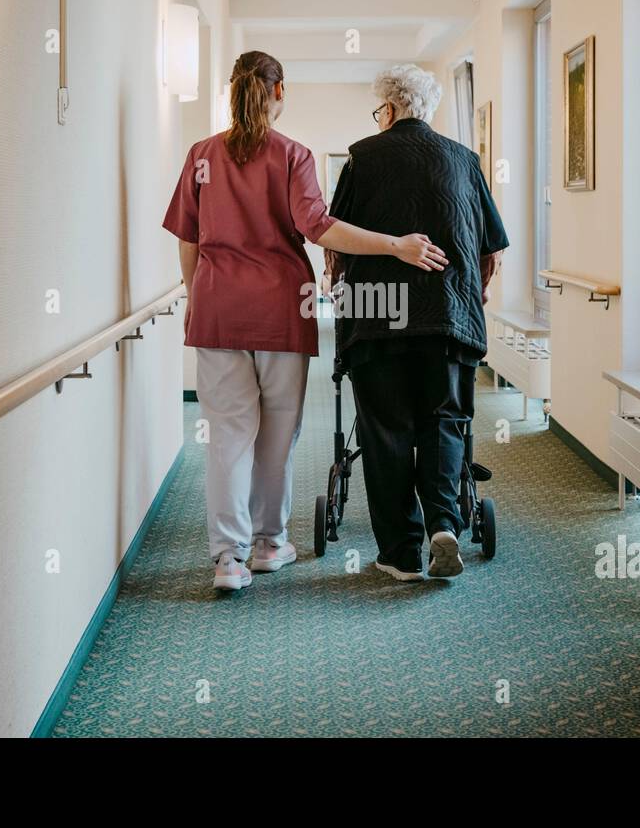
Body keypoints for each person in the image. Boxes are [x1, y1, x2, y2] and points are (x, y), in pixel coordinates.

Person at [163, 51, 448, 592]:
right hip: (280, 309)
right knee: (277, 435)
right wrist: (396, 245)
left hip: (219, 307)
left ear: (232, 92)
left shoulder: (202, 155)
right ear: (279, 92)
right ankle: (270, 544)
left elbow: (189, 239)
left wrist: (194, 296)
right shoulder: (292, 154)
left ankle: (228, 559)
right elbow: (319, 228)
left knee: (227, 436)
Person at [326, 64, 507, 582]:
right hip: (447, 318)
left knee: (385, 431)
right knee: (443, 422)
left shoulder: (361, 157)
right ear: (428, 108)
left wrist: (340, 295)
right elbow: (492, 250)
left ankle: (400, 554)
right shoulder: (465, 160)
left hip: (376, 316)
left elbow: (333, 241)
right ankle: (443, 526)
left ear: (387, 108)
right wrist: (475, 289)